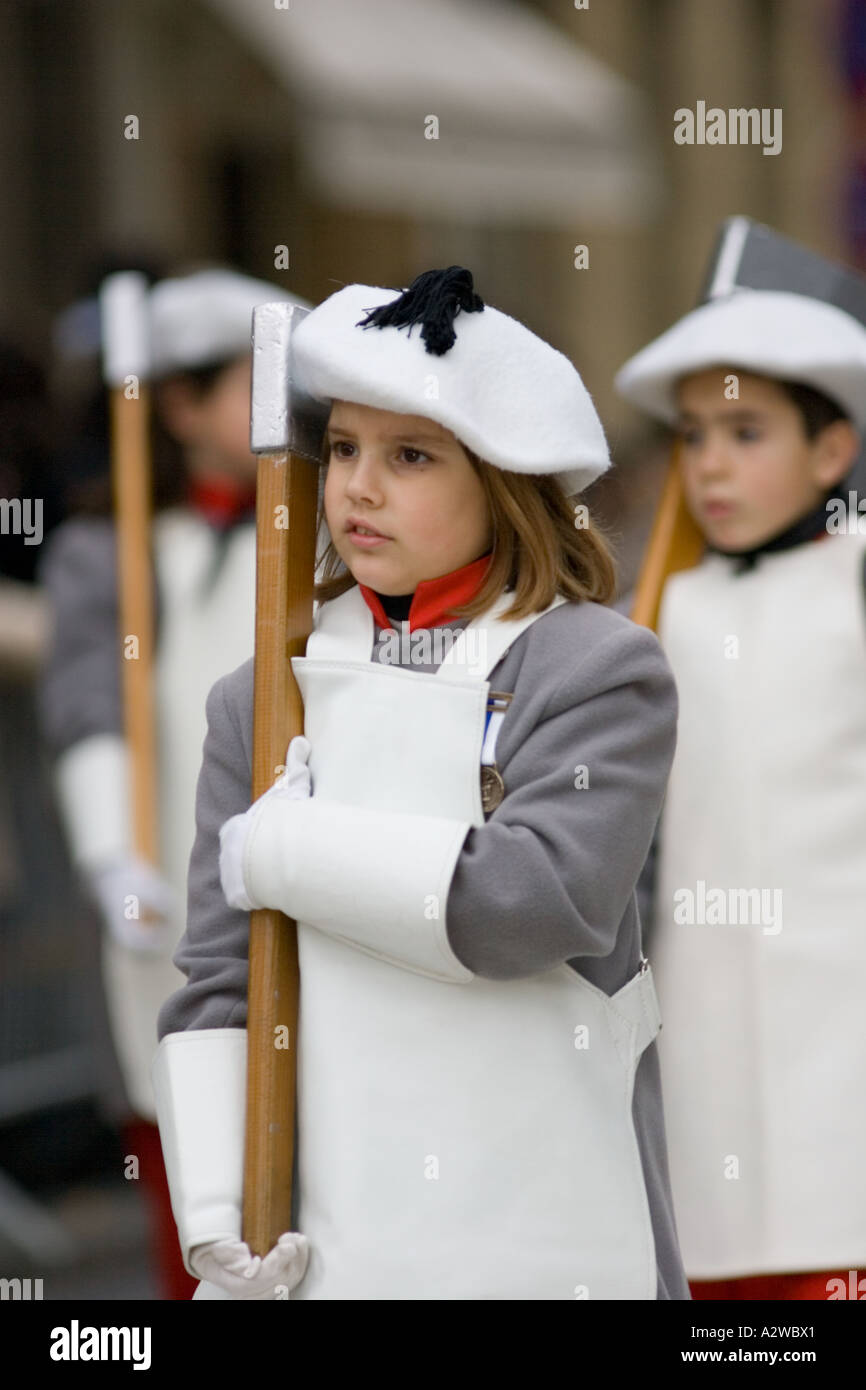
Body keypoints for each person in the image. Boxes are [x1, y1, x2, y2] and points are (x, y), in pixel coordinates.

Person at [153, 265, 688, 1301]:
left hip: (550, 1224)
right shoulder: (258, 700)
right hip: (336, 1234)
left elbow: (534, 901)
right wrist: (217, 1214)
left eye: (409, 456)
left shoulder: (593, 666)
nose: (356, 486)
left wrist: (282, 850)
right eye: (342, 448)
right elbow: (219, 979)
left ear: (499, 476)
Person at [37, 268, 309, 1298]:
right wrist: (113, 852)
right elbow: (85, 702)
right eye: (250, 382)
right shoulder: (110, 552)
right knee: (191, 1203)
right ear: (182, 404)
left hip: (306, 907)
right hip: (168, 919)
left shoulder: (335, 537)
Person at [615, 285, 866, 1300]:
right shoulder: (653, 611)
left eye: (744, 430)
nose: (707, 461)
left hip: (842, 1032)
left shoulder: (854, 582)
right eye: (690, 433)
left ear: (830, 452)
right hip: (701, 1033)